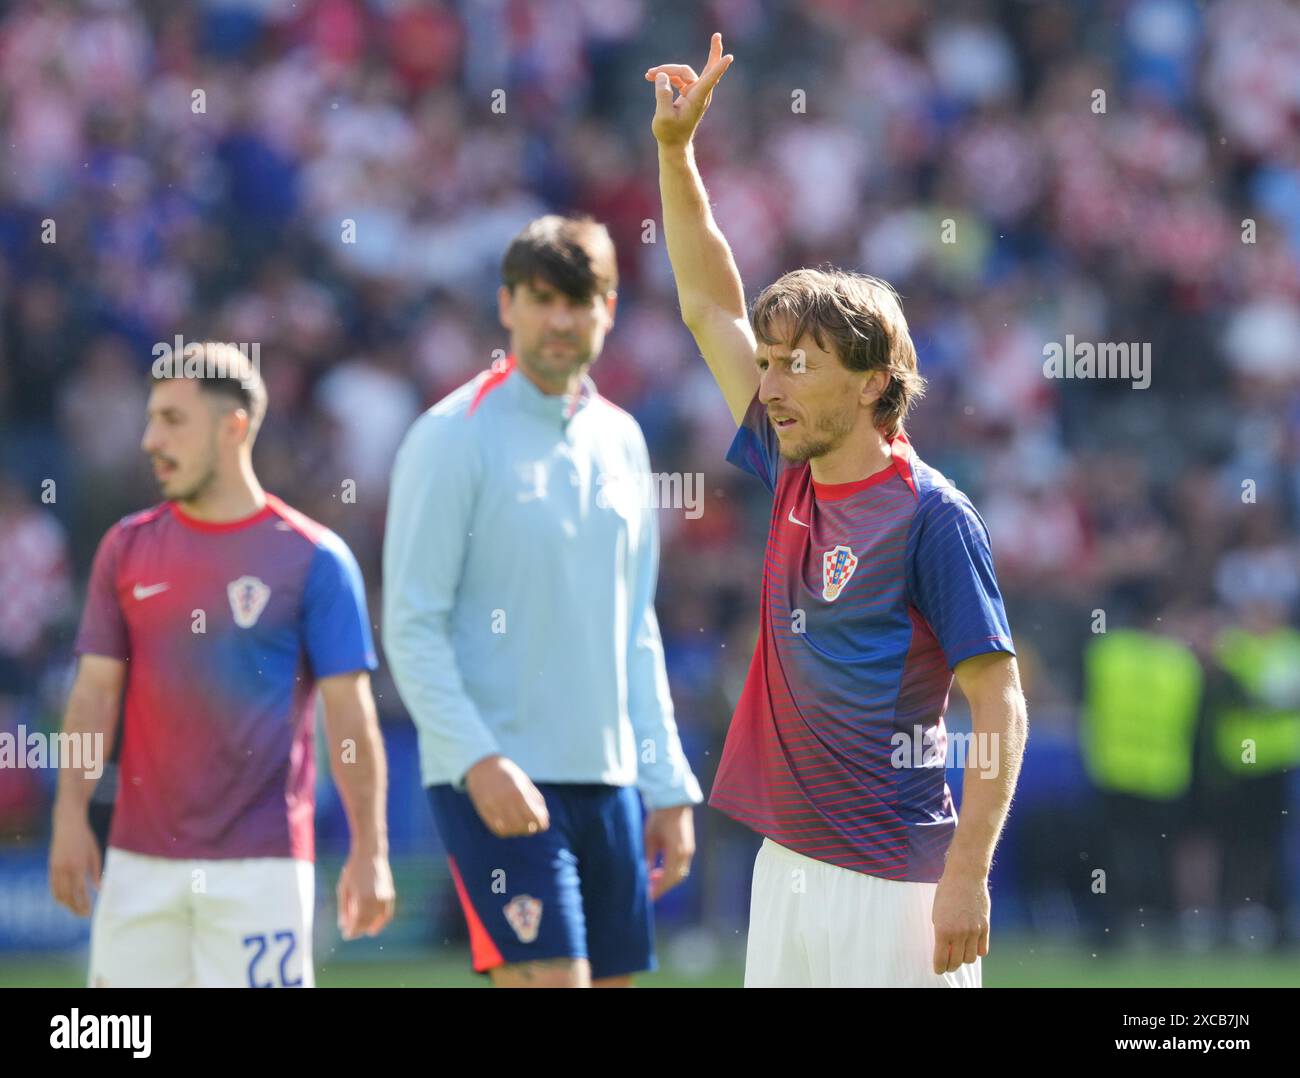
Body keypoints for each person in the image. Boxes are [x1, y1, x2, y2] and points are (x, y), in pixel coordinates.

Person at [648, 34, 1029, 987]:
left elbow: (1000, 703)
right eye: (767, 364)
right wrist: (675, 152)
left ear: (870, 383)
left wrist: (968, 878)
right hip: (787, 871)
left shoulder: (931, 515)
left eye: (797, 365)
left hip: (895, 886)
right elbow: (707, 303)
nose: (768, 384)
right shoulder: (788, 468)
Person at [383, 214, 703, 988]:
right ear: (507, 306)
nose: (561, 319)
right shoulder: (451, 435)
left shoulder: (624, 440)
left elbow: (635, 628)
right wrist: (477, 759)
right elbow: (410, 625)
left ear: (610, 308)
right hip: (495, 776)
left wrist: (665, 782)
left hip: (611, 780)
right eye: (542, 299)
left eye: (580, 300)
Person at [49, 343, 395, 987]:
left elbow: (350, 718)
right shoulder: (125, 549)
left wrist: (369, 847)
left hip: (260, 871)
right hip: (136, 867)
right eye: (150, 419)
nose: (151, 439)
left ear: (233, 426)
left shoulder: (316, 559)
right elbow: (93, 696)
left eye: (173, 420)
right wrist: (70, 818)